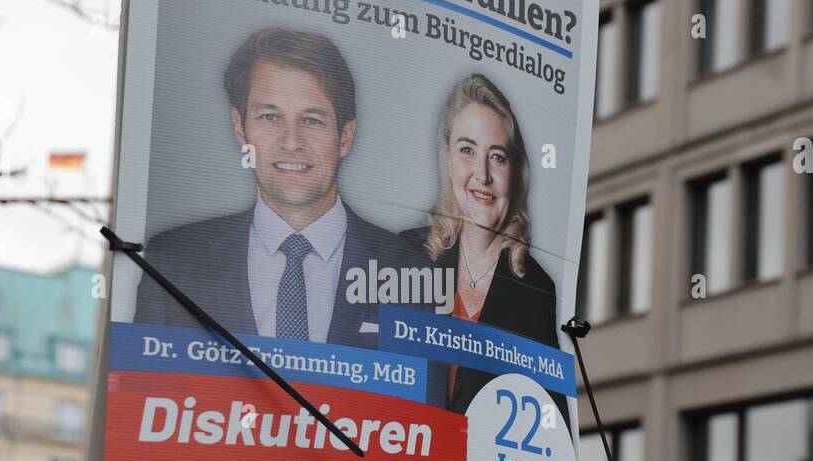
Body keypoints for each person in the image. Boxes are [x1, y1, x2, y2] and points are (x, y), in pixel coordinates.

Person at [135, 27, 432, 353]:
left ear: (345, 136)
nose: (291, 142)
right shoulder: (174, 262)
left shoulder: (409, 273)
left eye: (312, 120)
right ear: (240, 128)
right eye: (270, 116)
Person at [402, 73, 567, 420]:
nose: (482, 174)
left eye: (497, 157)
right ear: (447, 157)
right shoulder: (403, 256)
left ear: (515, 170)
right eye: (467, 150)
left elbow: (550, 418)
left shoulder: (536, 289)